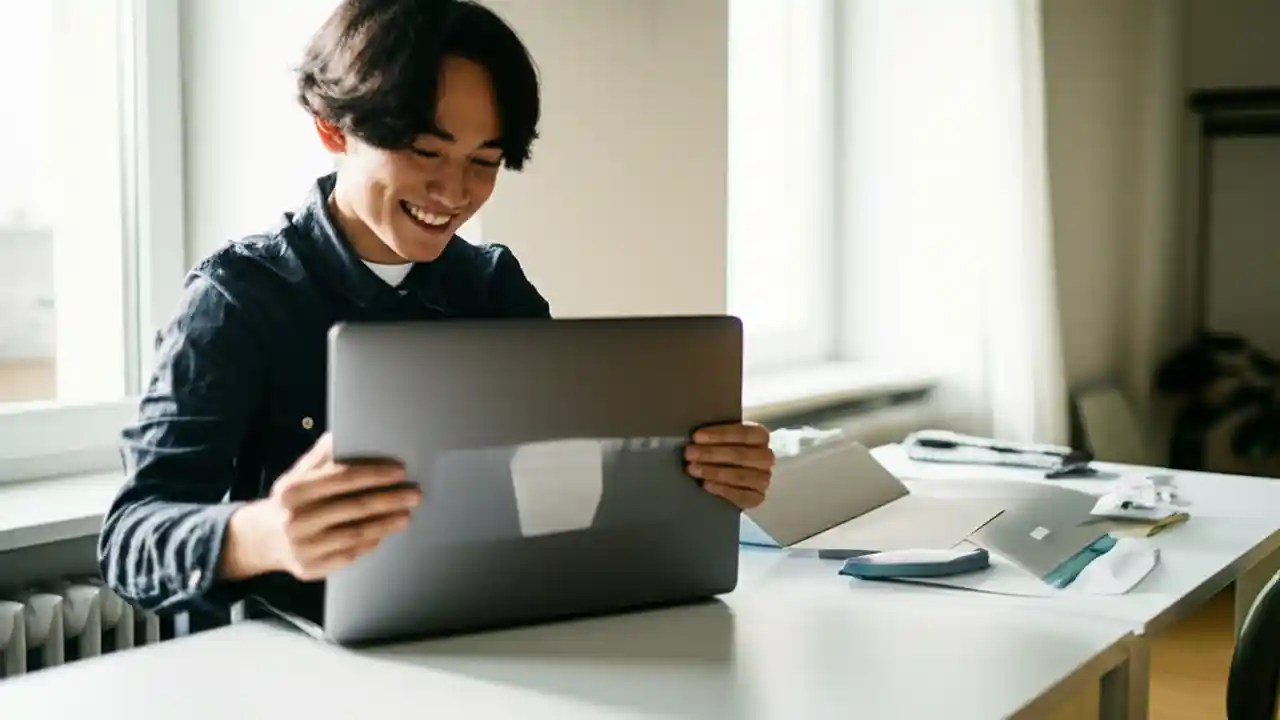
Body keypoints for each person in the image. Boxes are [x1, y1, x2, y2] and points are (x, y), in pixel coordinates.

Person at [98, 0, 776, 623]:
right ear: (333, 129)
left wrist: (694, 474)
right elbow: (129, 540)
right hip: (291, 667)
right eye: (426, 151)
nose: (455, 191)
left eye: (484, 161)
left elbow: (569, 473)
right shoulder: (237, 299)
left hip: (474, 639)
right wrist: (262, 535)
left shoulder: (493, 289)